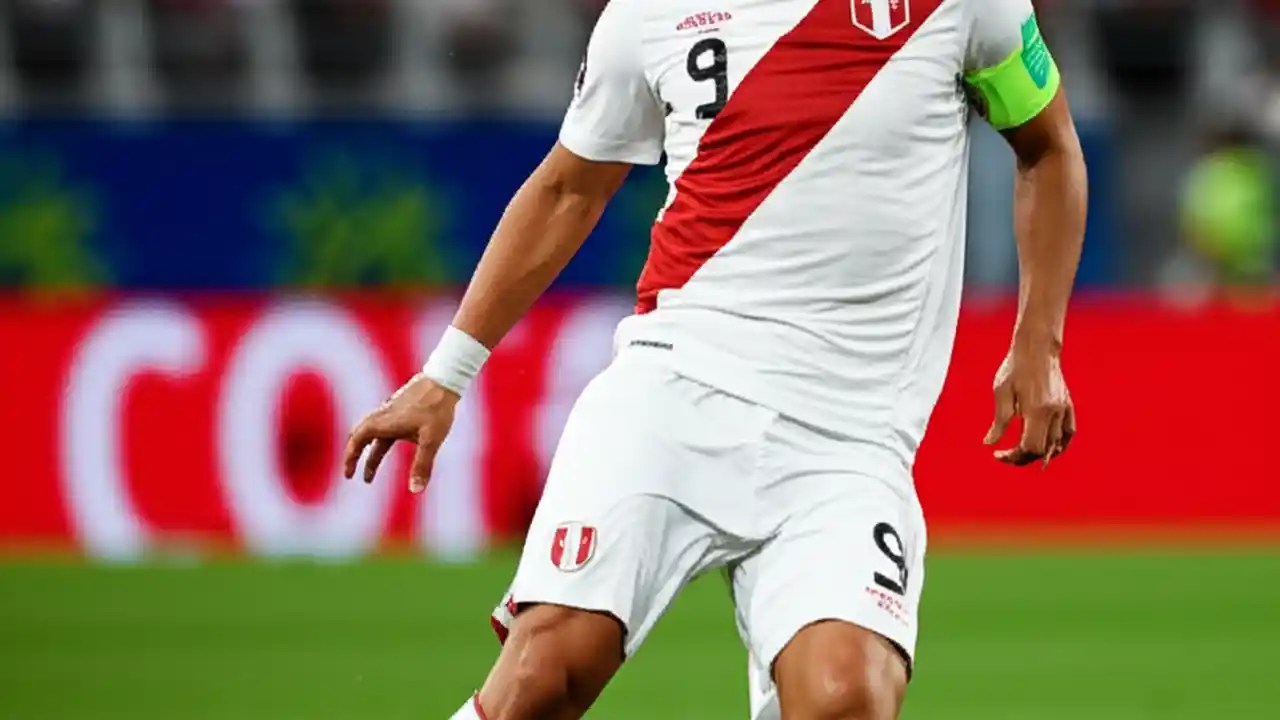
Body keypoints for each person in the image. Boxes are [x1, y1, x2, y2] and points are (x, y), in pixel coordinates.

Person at [343, 0, 1087, 717]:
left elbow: (1048, 147)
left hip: (849, 439)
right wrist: (446, 374)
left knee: (846, 698)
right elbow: (569, 188)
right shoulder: (649, 10)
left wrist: (1038, 341)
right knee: (545, 675)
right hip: (674, 392)